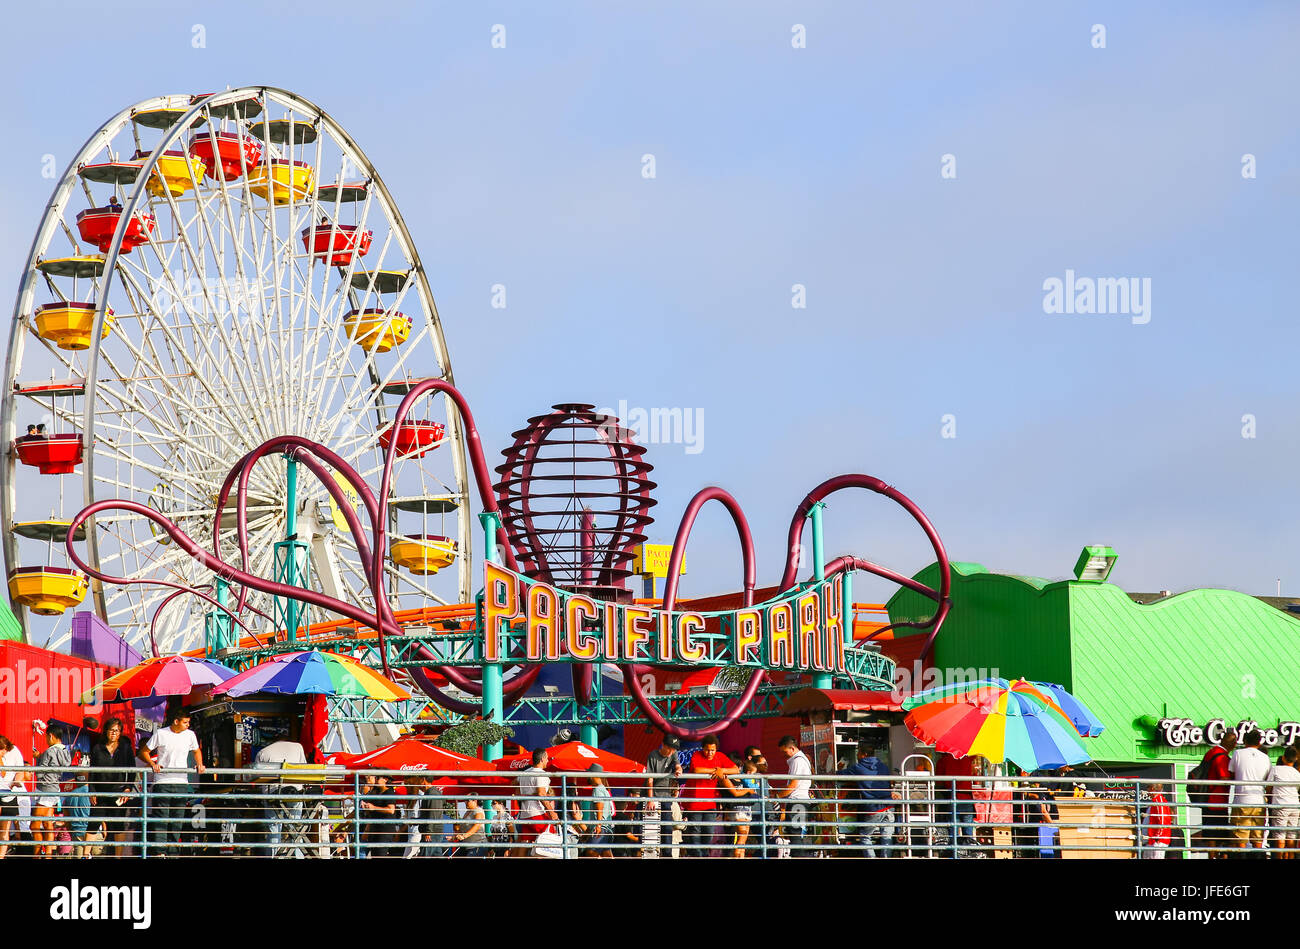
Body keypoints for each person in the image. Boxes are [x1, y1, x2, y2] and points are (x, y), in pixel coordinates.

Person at [139, 711, 204, 856]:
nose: (188, 725)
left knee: (177, 820)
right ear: (176, 721)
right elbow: (144, 752)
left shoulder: (190, 735)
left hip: (182, 781)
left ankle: (173, 853)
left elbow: (197, 751)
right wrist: (152, 764)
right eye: (185, 722)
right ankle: (160, 853)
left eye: (188, 722)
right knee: (161, 819)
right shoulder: (161, 733)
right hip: (162, 781)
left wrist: (200, 764)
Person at [838, 742, 898, 858]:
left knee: (865, 836)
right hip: (889, 806)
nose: (857, 756)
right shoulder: (883, 766)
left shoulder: (858, 768)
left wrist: (839, 769)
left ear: (864, 754)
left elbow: (839, 775)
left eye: (858, 753)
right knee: (887, 837)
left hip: (873, 808)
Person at [681, 735, 738, 858]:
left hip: (710, 802)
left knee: (709, 831)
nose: (710, 753)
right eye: (707, 750)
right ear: (703, 748)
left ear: (716, 749)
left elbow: (736, 770)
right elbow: (697, 770)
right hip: (694, 802)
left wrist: (722, 771)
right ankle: (698, 856)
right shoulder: (696, 755)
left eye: (713, 750)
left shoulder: (720, 756)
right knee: (695, 831)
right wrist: (715, 770)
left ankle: (704, 855)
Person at [254, 730, 307, 857]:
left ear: (273, 741)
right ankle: (298, 856)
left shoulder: (263, 752)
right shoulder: (298, 747)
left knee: (274, 828)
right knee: (295, 828)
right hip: (295, 792)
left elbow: (256, 777)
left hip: (272, 794)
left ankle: (274, 856)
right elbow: (305, 769)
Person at [89, 717, 137, 856]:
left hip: (119, 792)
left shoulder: (125, 748)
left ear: (120, 732)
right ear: (106, 731)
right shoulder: (97, 748)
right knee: (92, 824)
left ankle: (118, 857)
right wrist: (91, 791)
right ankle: (85, 855)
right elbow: (92, 772)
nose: (114, 733)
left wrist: (128, 788)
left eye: (117, 730)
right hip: (100, 792)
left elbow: (132, 771)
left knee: (118, 826)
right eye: (111, 730)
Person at [1228, 729, 1271, 854]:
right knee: (1258, 838)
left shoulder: (1238, 753)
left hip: (1242, 800)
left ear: (1245, 741)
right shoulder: (1265, 758)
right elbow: (1268, 779)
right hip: (1259, 801)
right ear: (1259, 742)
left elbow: (1231, 772)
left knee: (1240, 837)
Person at [33, 724, 71, 858]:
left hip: (45, 789)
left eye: (46, 737)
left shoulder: (49, 751)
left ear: (50, 736)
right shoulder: (65, 751)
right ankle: (48, 855)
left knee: (34, 825)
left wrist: (39, 758)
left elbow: (40, 772)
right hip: (55, 788)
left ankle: (37, 854)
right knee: (48, 824)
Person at [773, 735, 814, 855]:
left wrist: (777, 796)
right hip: (798, 802)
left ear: (792, 748)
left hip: (797, 801)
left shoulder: (798, 761)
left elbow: (793, 785)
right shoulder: (800, 759)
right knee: (795, 834)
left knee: (795, 835)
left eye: (784, 752)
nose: (783, 755)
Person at [1199, 730, 1236, 858]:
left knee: (1211, 833)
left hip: (1207, 798)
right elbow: (1224, 778)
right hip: (1217, 801)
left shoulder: (1210, 752)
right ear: (1233, 744)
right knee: (1217, 834)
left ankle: (1212, 856)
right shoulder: (1222, 757)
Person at [517, 748, 558, 854]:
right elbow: (541, 793)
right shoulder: (541, 774)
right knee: (549, 838)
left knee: (525, 843)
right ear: (542, 759)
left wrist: (529, 794)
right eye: (547, 758)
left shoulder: (524, 773)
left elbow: (517, 791)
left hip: (525, 814)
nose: (548, 761)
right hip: (537, 812)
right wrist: (551, 812)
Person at [719, 757, 761, 857]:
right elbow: (736, 793)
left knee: (743, 840)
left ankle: (740, 856)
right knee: (742, 837)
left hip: (746, 808)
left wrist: (749, 790)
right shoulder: (726, 778)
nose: (739, 770)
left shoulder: (743, 779)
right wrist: (748, 790)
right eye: (738, 767)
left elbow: (752, 791)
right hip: (737, 809)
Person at [574, 764, 614, 858]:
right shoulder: (604, 789)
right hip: (606, 828)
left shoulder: (597, 790)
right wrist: (588, 832)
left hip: (601, 828)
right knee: (606, 855)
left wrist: (598, 825)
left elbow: (599, 809)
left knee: (590, 853)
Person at [1266, 746, 1299, 859]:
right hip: (1295, 806)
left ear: (1283, 758)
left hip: (1281, 805)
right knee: (1291, 836)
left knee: (1279, 836)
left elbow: (1268, 787)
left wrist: (1269, 798)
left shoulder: (1276, 769)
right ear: (1295, 759)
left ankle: (1279, 857)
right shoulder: (1297, 773)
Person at [0, 735, 26, 859]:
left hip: (9, 793)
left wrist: (16, 782)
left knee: (5, 828)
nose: (3, 752)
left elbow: (20, 771)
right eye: (1, 750)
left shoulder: (14, 751)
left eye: (4, 750)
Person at [1142, 782, 1174, 858]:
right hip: (1152, 839)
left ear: (1152, 788)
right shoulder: (1157, 801)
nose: (1147, 792)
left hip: (1157, 840)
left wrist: (1157, 837)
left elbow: (1163, 819)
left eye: (1148, 789)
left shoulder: (1159, 801)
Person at [451, 792, 488, 858]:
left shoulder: (478, 811)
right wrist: (455, 836)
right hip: (466, 846)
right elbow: (462, 829)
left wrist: (464, 836)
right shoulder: (467, 812)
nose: (465, 802)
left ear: (475, 800)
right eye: (465, 800)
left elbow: (477, 825)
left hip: (477, 845)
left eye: (467, 800)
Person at [66, 769, 93, 858]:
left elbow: (66, 820)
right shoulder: (92, 794)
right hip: (93, 833)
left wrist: (71, 833)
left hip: (77, 833)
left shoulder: (69, 796)